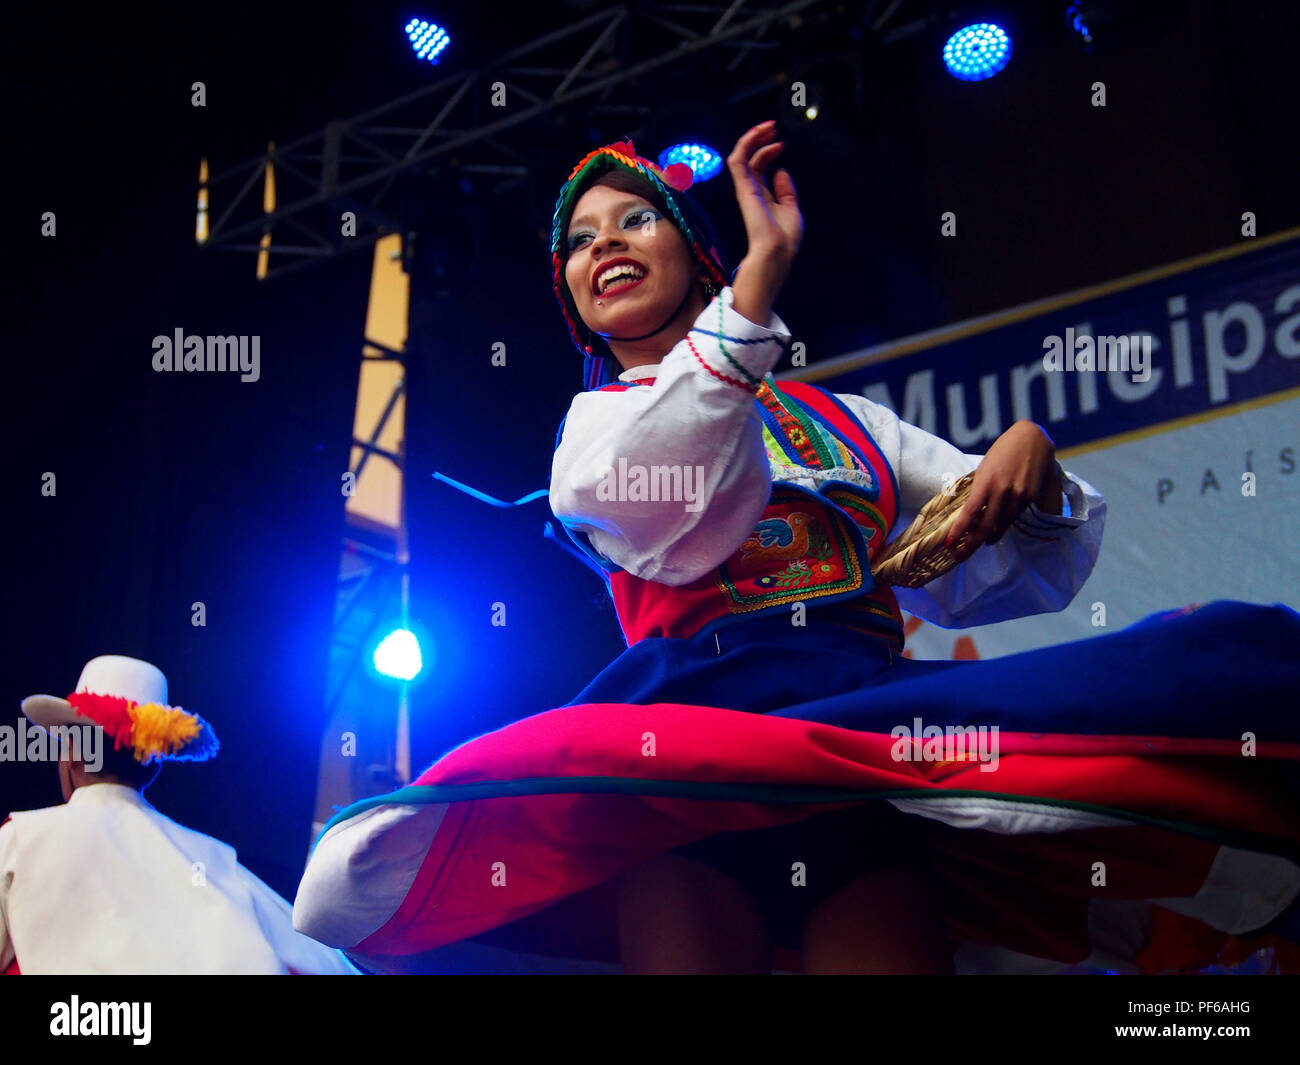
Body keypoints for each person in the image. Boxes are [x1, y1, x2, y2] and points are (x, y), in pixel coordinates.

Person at [293, 123, 1300, 975]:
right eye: (579, 239)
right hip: (681, 762)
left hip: (854, 741)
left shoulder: (848, 423)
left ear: (693, 251)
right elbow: (677, 491)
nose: (604, 244)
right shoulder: (596, 427)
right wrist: (760, 281)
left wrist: (1031, 467)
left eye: (635, 219)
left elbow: (994, 565)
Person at [1, 654, 357, 975]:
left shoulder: (20, 837)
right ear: (155, 766)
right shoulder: (215, 861)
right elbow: (325, 964)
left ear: (75, 756)